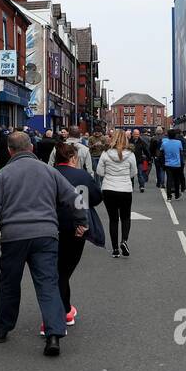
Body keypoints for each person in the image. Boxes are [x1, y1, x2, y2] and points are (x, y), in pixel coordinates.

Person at [0, 131, 80, 357]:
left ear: (10, 151)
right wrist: (81, 222)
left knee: (9, 283)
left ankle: (2, 329)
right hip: (46, 235)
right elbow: (74, 197)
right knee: (48, 284)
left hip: (14, 237)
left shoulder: (3, 175)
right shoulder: (49, 171)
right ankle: (53, 335)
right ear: (31, 148)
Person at [53, 142, 101, 328]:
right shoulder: (82, 175)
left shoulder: (48, 173)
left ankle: (63, 309)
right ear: (73, 158)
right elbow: (96, 198)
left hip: (50, 228)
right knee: (63, 271)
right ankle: (63, 311)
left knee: (58, 271)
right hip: (77, 228)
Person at [97, 129, 136, 258]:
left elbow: (100, 172)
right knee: (125, 218)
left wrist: (110, 174)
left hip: (109, 188)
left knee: (113, 219)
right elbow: (133, 172)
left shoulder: (105, 153)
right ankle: (124, 241)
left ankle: (115, 249)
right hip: (125, 188)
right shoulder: (130, 154)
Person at [161, 128, 185, 200]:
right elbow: (181, 151)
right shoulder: (178, 142)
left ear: (168, 135)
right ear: (175, 135)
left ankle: (169, 196)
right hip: (177, 164)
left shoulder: (164, 143)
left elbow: (161, 151)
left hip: (168, 163)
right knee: (176, 180)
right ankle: (177, 195)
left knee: (169, 180)